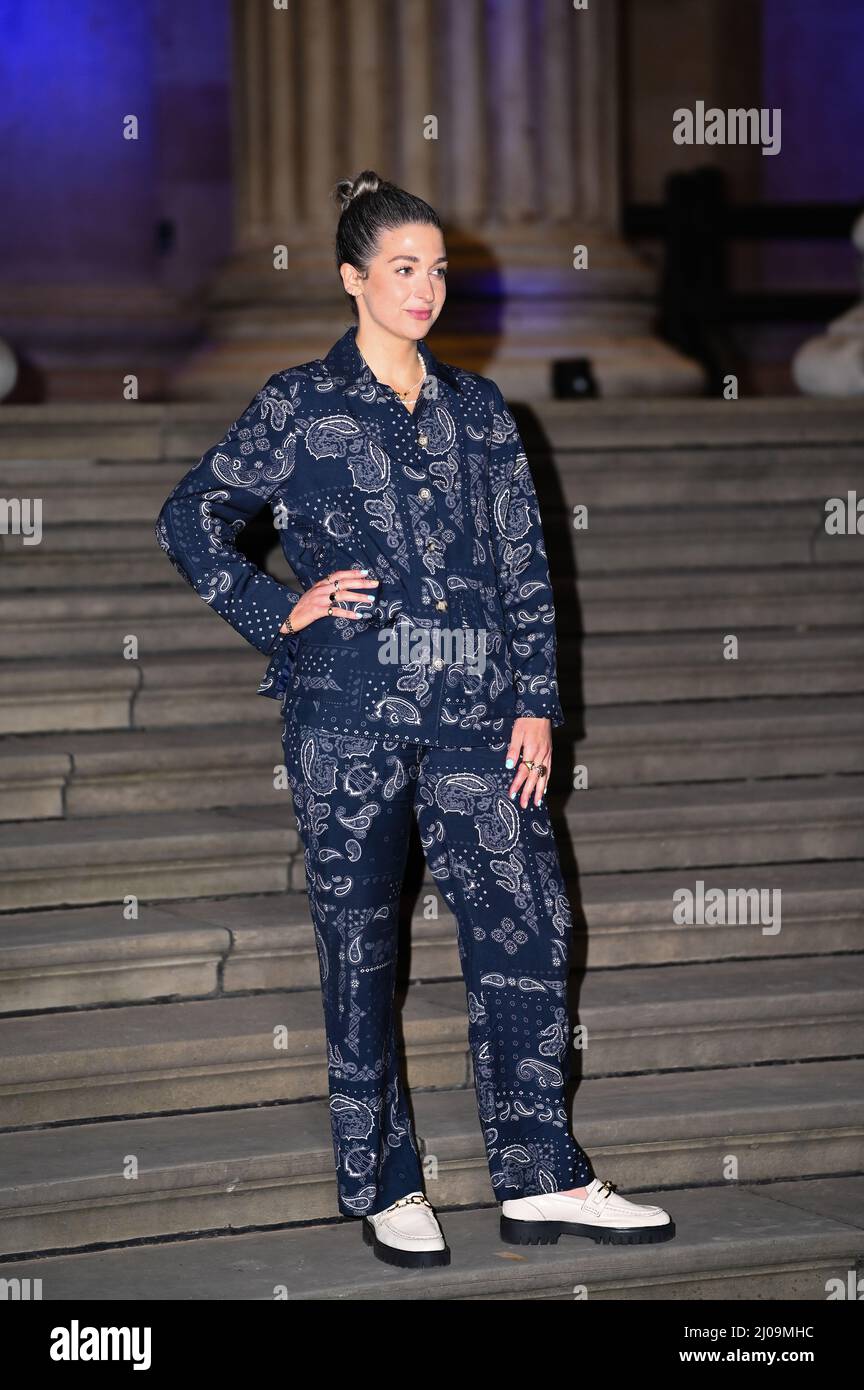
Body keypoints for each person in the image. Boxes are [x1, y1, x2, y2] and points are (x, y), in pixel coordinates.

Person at [155, 170, 675, 1269]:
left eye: (437, 270)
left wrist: (537, 700)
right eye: (403, 269)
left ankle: (542, 1176)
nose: (425, 288)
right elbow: (193, 513)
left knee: (531, 932)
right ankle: (386, 1180)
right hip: (346, 717)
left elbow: (528, 569)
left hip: (481, 718)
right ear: (353, 280)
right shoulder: (299, 403)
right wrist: (276, 606)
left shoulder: (486, 414)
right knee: (361, 948)